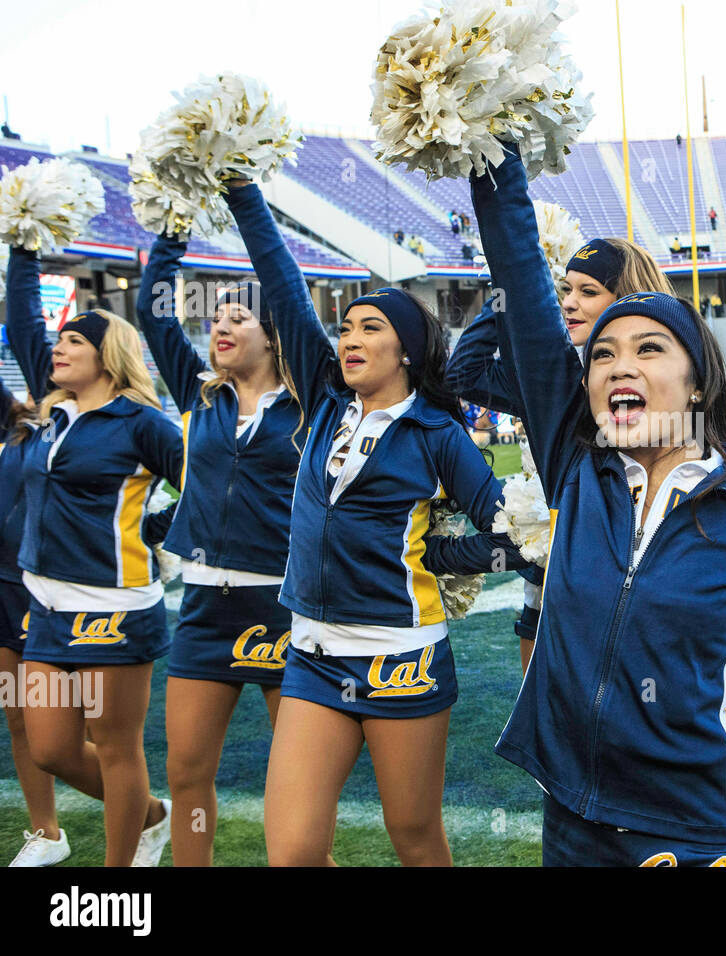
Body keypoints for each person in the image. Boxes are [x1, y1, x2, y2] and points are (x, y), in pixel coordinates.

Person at [470, 140, 726, 867]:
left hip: (695, 828)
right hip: (572, 817)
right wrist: (491, 145)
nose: (619, 366)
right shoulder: (574, 465)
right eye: (603, 355)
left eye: (648, 349)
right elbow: (515, 261)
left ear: (698, 382)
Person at [248, 179, 527, 866]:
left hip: (402, 656)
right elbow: (281, 285)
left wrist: (443, 557)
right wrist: (242, 189)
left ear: (405, 349)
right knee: (291, 853)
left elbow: (516, 537)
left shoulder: (438, 433)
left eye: (370, 327)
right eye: (344, 327)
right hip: (313, 652)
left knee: (415, 837)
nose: (349, 337)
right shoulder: (321, 399)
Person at [135, 184, 309, 866]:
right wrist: (174, 230)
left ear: (274, 334)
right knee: (185, 773)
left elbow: (288, 292)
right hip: (205, 605)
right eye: (217, 319)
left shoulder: (309, 406)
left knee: (295, 784)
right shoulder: (198, 397)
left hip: (281, 605)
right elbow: (155, 314)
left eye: (239, 317)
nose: (221, 327)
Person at [5, 249, 181, 867]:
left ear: (106, 355)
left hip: (114, 607)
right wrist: (24, 249)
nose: (59, 349)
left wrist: (151, 531)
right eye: (59, 341)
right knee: (51, 746)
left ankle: (119, 877)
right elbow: (23, 323)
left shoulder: (141, 423)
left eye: (74, 341)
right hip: (47, 606)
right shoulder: (53, 415)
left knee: (114, 747)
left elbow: (209, 492)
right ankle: (152, 815)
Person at [447, 236, 674, 669]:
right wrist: (507, 289)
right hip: (548, 576)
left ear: (625, 299)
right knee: (544, 718)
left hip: (631, 577)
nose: (569, 303)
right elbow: (464, 374)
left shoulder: (663, 382)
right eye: (564, 289)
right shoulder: (548, 376)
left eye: (588, 292)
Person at [0, 382, 64, 865]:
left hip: (55, 585)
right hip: (3, 585)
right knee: (18, 715)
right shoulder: (21, 425)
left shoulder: (43, 427)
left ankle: (143, 811)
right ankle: (46, 832)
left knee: (73, 726)